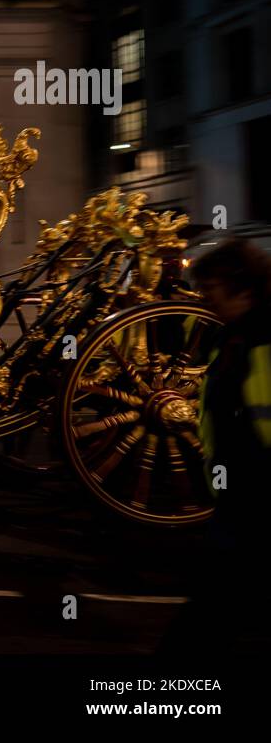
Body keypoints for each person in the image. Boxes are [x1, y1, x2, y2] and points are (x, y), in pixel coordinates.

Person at [162, 238, 271, 651]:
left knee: (210, 612)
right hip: (240, 493)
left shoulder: (255, 340)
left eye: (211, 290)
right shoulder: (235, 336)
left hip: (254, 496)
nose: (203, 300)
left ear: (243, 289)